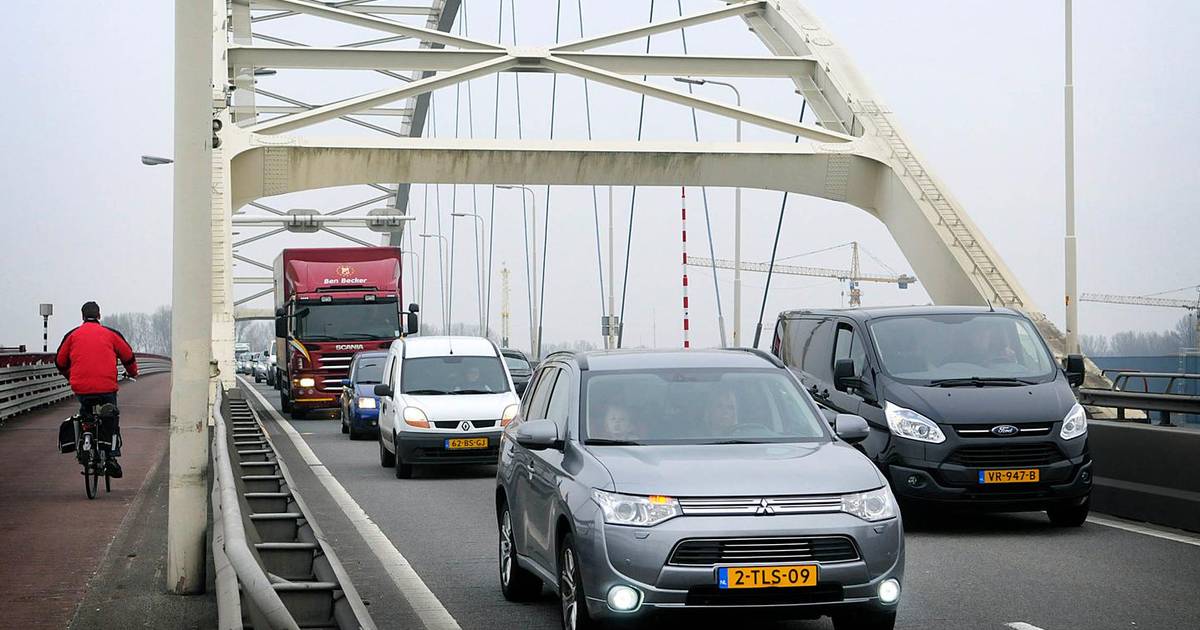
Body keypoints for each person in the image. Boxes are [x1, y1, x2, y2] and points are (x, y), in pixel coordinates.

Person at [55, 301, 138, 478]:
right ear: (99, 315)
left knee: (86, 412)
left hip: (81, 388)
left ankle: (85, 436)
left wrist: (71, 376)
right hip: (106, 387)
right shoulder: (111, 334)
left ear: (82, 316)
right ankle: (111, 457)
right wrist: (133, 372)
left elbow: (60, 362)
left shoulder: (72, 335)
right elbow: (128, 356)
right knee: (111, 418)